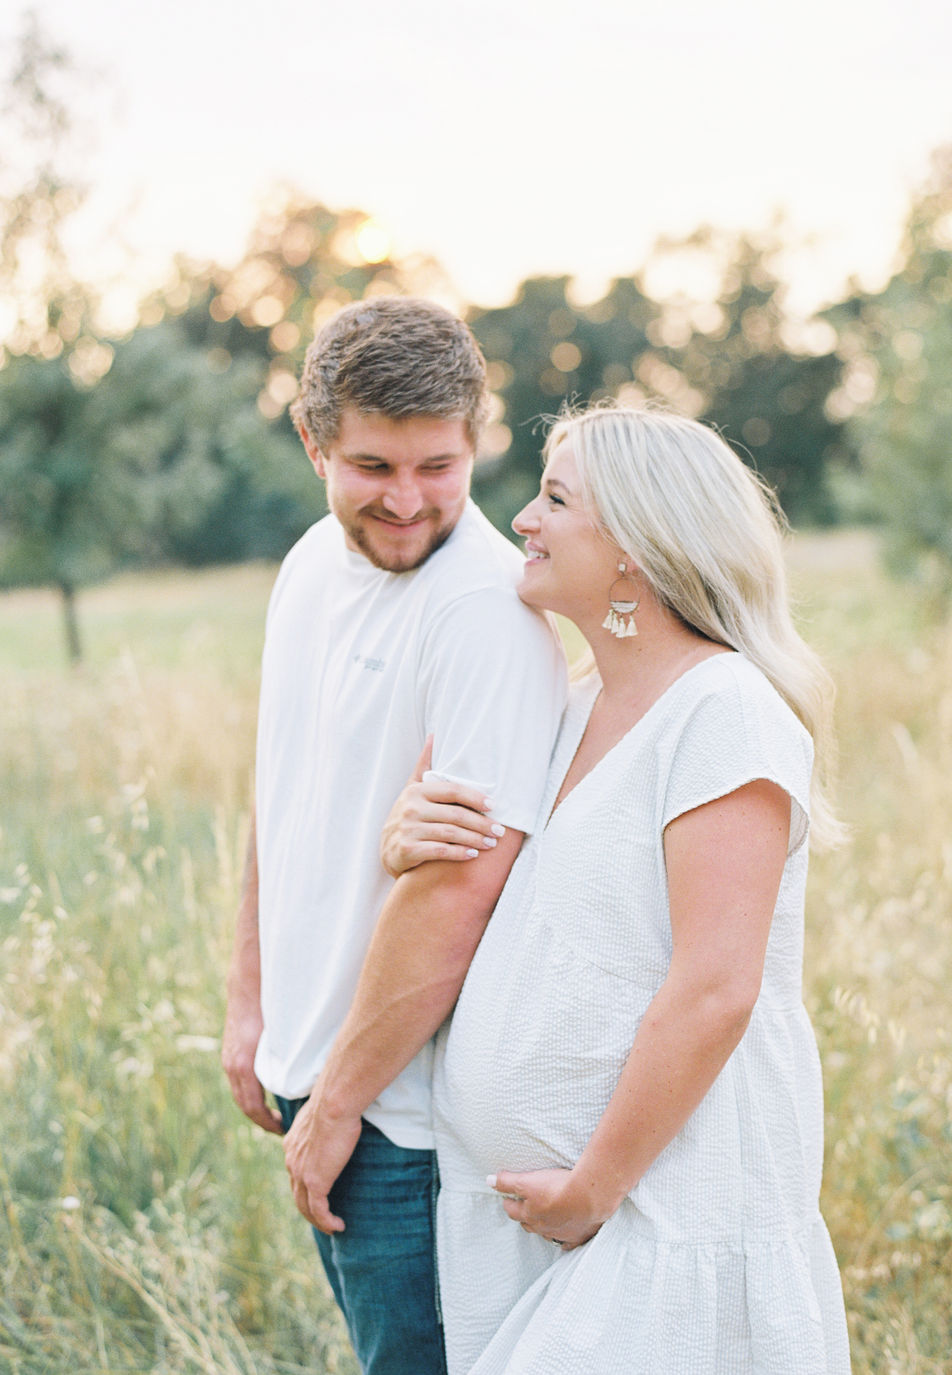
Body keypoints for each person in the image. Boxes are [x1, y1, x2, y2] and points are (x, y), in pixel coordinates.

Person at [383, 403, 852, 1373]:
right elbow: (528, 903)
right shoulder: (580, 698)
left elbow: (716, 986)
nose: (522, 518)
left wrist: (596, 1185)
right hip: (550, 1220)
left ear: (636, 546)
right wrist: (406, 838)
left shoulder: (722, 712)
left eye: (554, 499)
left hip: (661, 1210)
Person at [221, 296, 567, 1375]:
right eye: (373, 466)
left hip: (402, 1124)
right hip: (315, 1074)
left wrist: (337, 1103)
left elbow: (461, 893)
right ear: (312, 439)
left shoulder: (485, 615)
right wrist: (251, 998)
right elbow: (280, 795)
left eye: (439, 467)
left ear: (475, 441)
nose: (409, 502)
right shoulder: (305, 570)